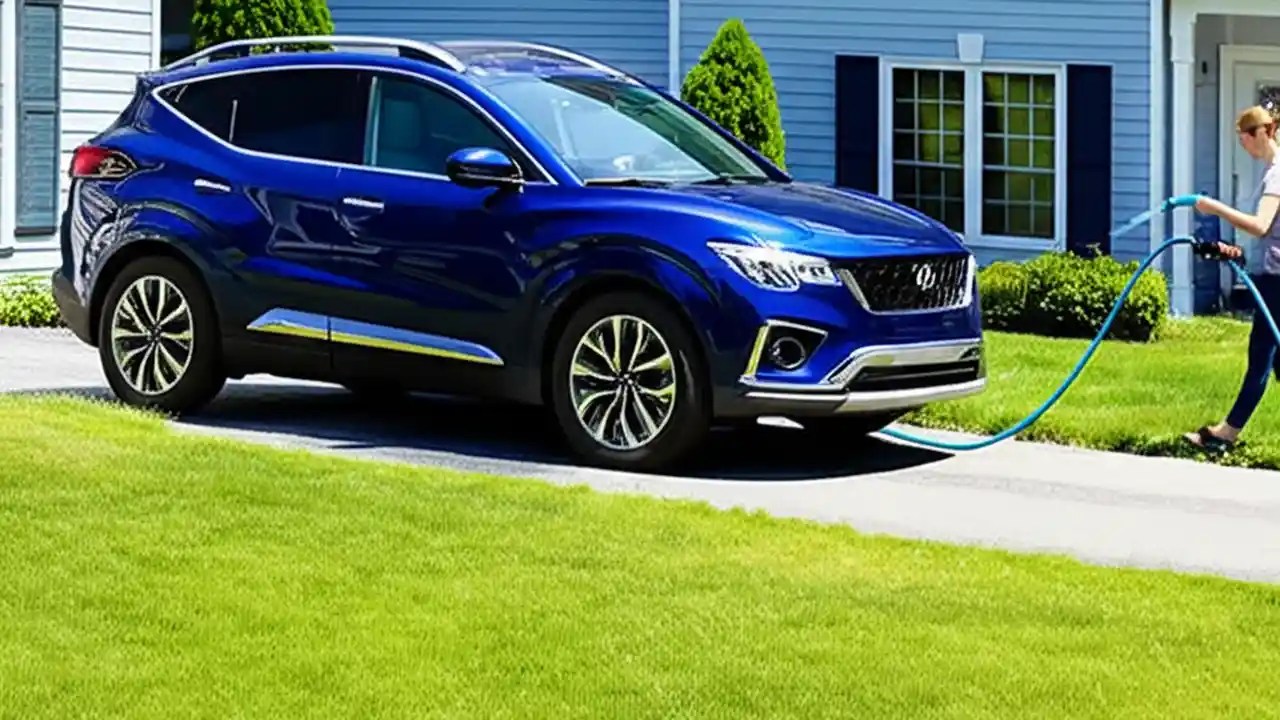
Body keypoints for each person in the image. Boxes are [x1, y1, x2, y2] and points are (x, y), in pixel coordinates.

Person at [1183, 105, 1280, 452]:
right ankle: (1227, 431)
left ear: (1263, 133)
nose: (1245, 148)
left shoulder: (1276, 174)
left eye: (1245, 141)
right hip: (1270, 274)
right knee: (1276, 360)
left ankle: (1227, 433)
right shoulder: (1271, 170)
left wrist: (1214, 207)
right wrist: (1234, 252)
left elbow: (1261, 226)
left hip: (1277, 280)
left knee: (1261, 357)